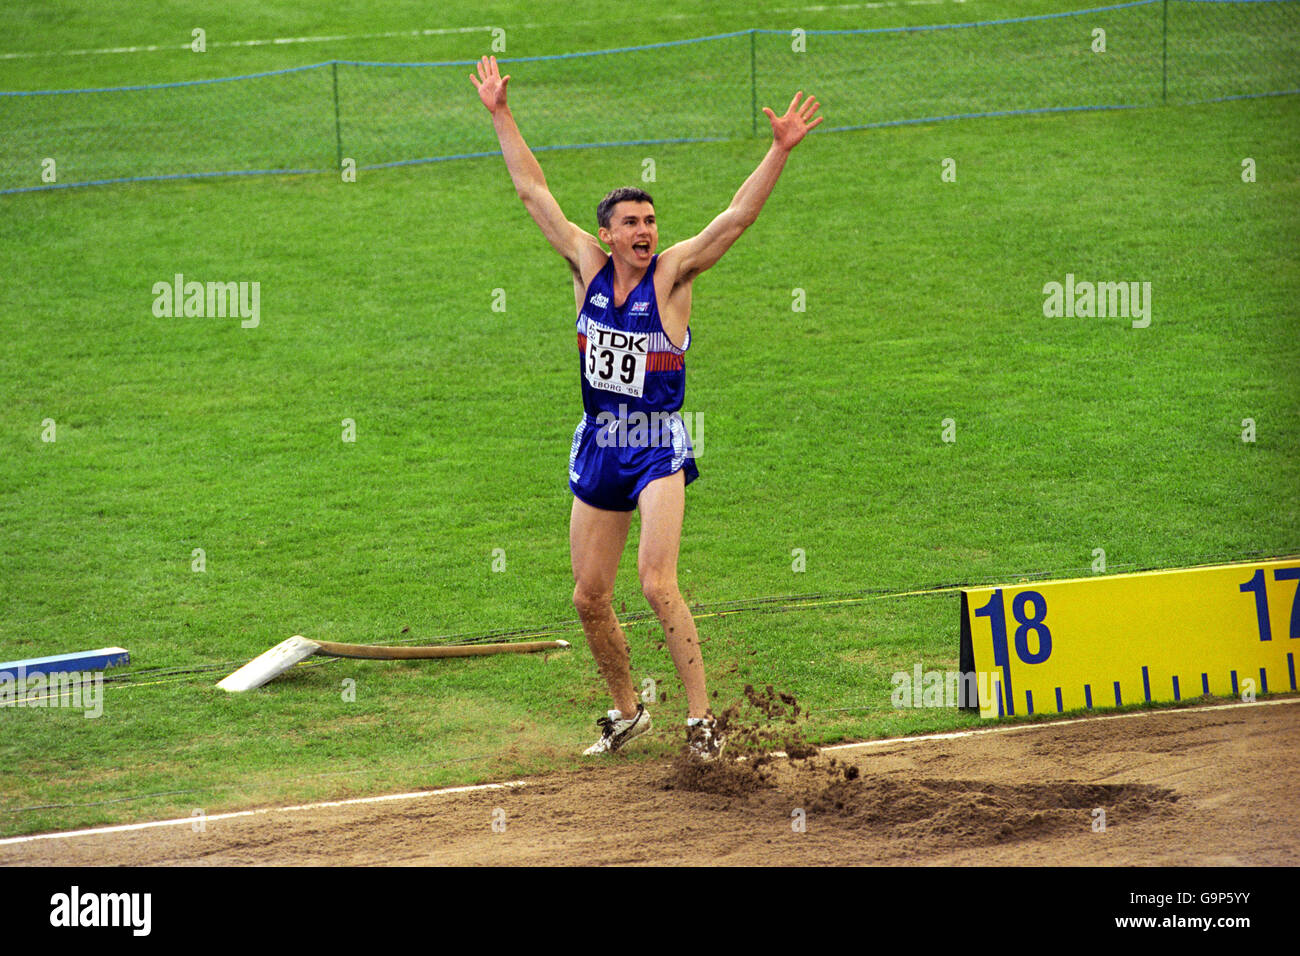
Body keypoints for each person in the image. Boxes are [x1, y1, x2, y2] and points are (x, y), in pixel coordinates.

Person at [471, 54, 822, 759]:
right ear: (606, 233)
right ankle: (629, 712)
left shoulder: (673, 275)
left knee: (657, 582)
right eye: (631, 222)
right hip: (601, 441)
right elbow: (533, 194)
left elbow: (735, 220)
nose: (644, 230)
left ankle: (701, 723)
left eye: (651, 220)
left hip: (657, 441)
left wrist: (778, 151)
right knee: (587, 598)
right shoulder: (585, 267)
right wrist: (501, 114)